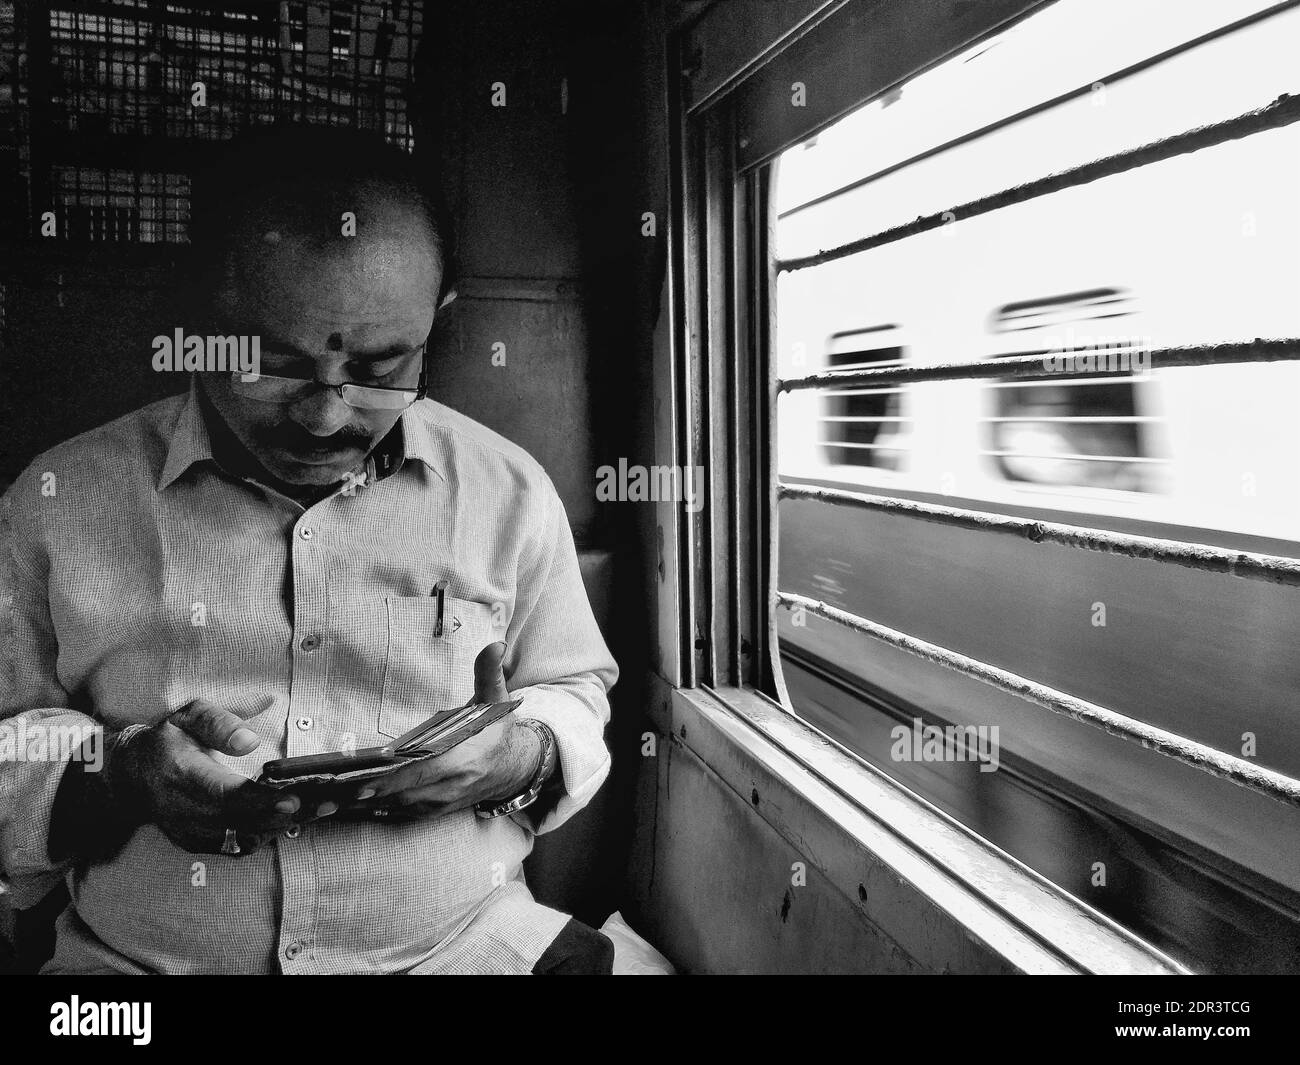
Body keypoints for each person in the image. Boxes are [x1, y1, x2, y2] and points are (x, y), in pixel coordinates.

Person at [0, 125, 618, 974]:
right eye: (273, 363)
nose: (328, 416)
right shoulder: (56, 501)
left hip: (463, 950)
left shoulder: (508, 491)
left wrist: (517, 755)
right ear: (196, 319)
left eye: (381, 364)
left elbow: (575, 690)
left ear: (435, 325)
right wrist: (122, 773)